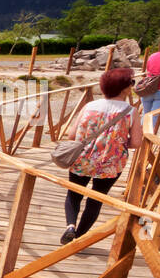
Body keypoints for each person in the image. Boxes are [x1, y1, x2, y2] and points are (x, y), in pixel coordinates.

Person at [61, 67, 144, 244]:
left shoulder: (90, 106)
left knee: (73, 195)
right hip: (111, 163)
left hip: (82, 159)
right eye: (131, 83)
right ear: (124, 88)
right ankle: (79, 238)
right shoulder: (131, 112)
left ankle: (70, 225)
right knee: (96, 199)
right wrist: (118, 144)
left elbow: (71, 135)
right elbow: (136, 143)